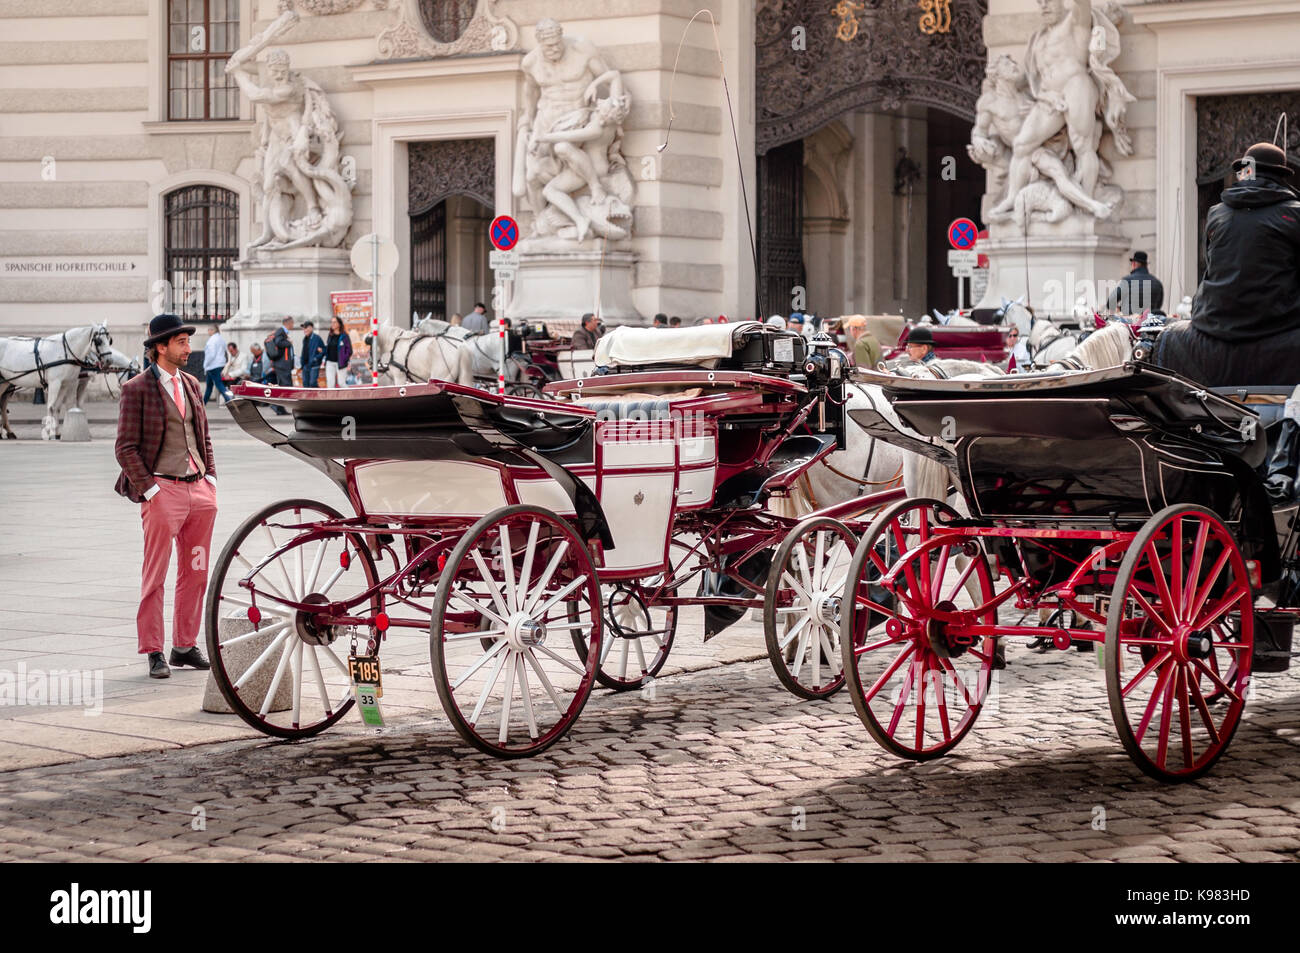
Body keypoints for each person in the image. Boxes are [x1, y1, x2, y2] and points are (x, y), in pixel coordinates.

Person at [113, 314, 217, 679]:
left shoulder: (191, 384)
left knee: (197, 572)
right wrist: (151, 489)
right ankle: (154, 650)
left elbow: (202, 435)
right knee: (155, 573)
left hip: (199, 489)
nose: (189, 348)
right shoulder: (136, 389)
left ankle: (184, 646)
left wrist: (212, 478)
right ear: (161, 346)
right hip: (163, 490)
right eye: (182, 342)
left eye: (189, 341)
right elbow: (125, 448)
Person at [1156, 142, 1300, 387]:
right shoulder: (1295, 215)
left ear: (1246, 172)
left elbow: (1211, 269)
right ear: (1280, 176)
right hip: (1279, 322)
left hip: (1213, 323)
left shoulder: (1216, 214)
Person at [1106, 251, 1165, 316]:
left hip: (1131, 322)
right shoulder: (1157, 283)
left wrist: (1119, 309)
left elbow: (1111, 302)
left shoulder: (1127, 280)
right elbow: (1158, 307)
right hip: (1150, 322)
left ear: (1134, 264)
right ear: (1146, 265)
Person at [202, 324, 232, 404]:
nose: (208, 332)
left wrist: (205, 364)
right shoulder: (221, 339)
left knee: (219, 384)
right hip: (219, 364)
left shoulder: (212, 340)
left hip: (212, 365)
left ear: (212, 330)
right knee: (209, 385)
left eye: (209, 330)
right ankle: (203, 402)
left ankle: (229, 399)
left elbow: (211, 354)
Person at [324, 315, 353, 387]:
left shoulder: (344, 336)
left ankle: (349, 396)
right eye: (331, 322)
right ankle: (331, 398)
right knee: (330, 384)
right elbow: (328, 346)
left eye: (334, 322)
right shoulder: (330, 335)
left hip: (341, 363)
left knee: (341, 383)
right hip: (330, 362)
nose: (332, 324)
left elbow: (350, 350)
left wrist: (344, 359)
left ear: (339, 324)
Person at [298, 320, 325, 387]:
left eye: (306, 328)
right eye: (303, 328)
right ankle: (308, 397)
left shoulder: (317, 338)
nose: (304, 330)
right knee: (305, 384)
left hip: (314, 365)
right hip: (305, 365)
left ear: (311, 328)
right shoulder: (305, 339)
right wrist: (302, 363)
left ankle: (317, 396)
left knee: (312, 383)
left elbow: (324, 350)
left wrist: (315, 359)